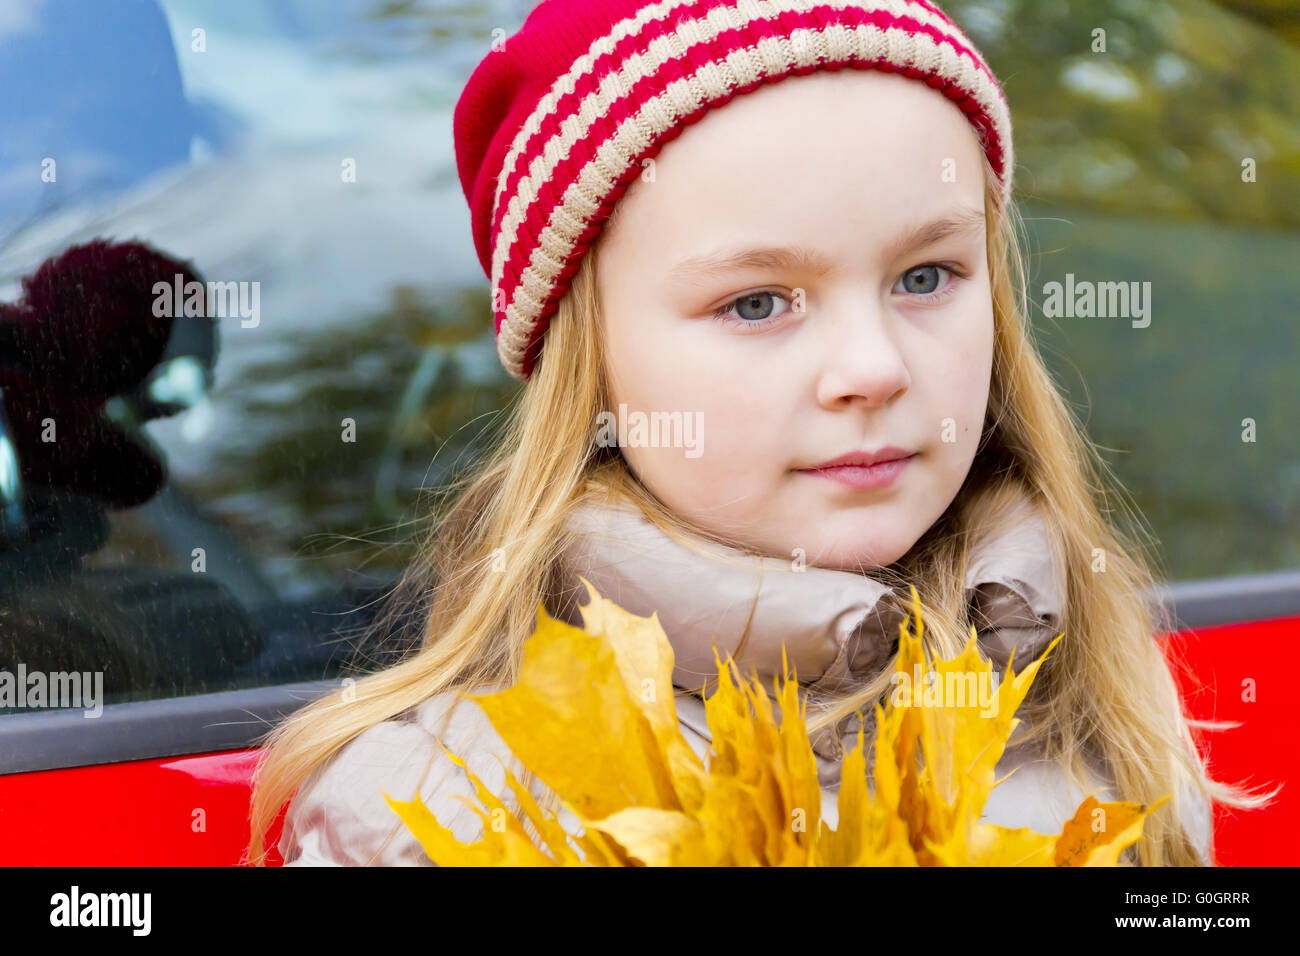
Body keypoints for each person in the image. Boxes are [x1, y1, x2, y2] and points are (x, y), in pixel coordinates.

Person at [248, 0, 1267, 867]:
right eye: (757, 302)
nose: (873, 367)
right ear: (590, 364)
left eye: (926, 277)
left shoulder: (1102, 701)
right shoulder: (432, 806)